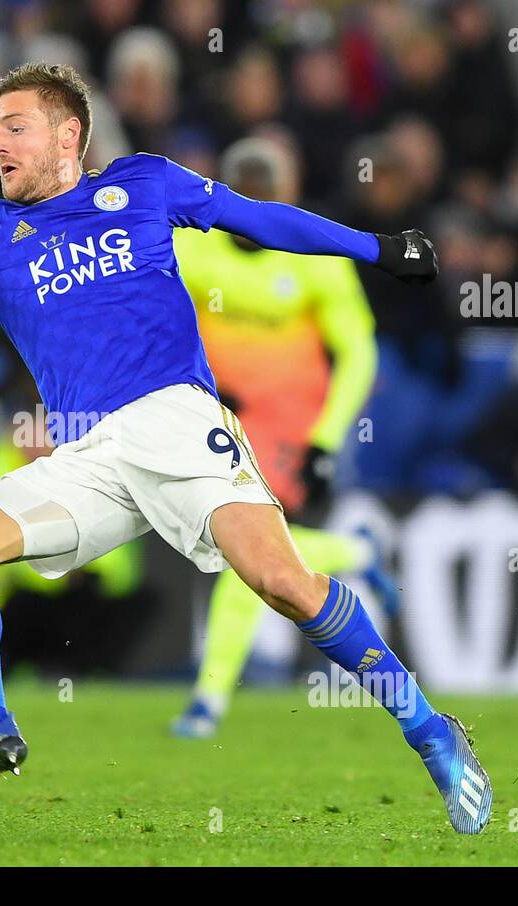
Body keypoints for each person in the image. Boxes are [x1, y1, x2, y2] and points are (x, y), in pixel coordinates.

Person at [0, 63, 492, 833]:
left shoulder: (143, 185)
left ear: (69, 135)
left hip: (177, 422)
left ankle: (429, 729)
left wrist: (378, 247)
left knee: (283, 583)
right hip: (86, 454)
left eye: (14, 127)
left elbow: (255, 219)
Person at [169, 136, 396, 738]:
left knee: (244, 555)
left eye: (263, 196)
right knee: (247, 553)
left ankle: (207, 701)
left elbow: (358, 351)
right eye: (240, 195)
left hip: (288, 431)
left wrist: (326, 438)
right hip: (214, 421)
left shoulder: (315, 256)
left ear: (285, 197)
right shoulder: (191, 246)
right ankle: (358, 554)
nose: (250, 210)